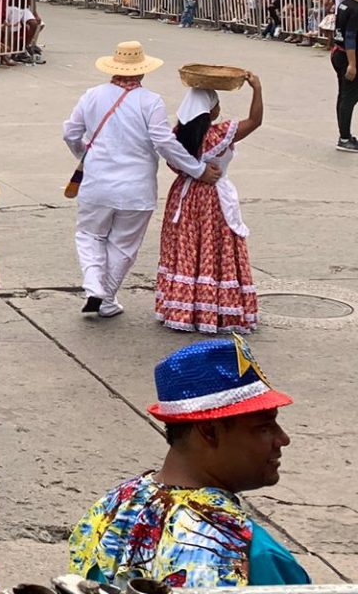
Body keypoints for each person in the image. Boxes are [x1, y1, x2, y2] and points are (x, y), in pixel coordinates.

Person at [70, 336, 307, 587]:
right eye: (264, 426)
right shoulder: (252, 554)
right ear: (209, 431)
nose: (283, 439)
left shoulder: (108, 510)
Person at [62, 41, 221, 318]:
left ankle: (94, 286)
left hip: (97, 184)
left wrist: (86, 155)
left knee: (89, 235)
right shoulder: (151, 101)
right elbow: (164, 142)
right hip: (136, 189)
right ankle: (106, 297)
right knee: (124, 245)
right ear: (142, 71)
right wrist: (196, 169)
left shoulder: (91, 95)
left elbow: (70, 133)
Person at [156, 77, 264, 334]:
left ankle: (183, 307)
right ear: (210, 110)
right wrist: (257, 89)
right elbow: (255, 121)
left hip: (183, 197)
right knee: (216, 249)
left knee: (187, 249)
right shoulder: (220, 133)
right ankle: (215, 308)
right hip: (213, 199)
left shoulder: (177, 136)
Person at [330, 0, 358, 151]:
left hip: (338, 53)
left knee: (344, 95)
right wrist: (352, 64)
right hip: (349, 56)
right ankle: (345, 138)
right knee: (348, 97)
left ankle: (345, 134)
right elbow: (350, 37)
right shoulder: (355, 10)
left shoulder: (344, 5)